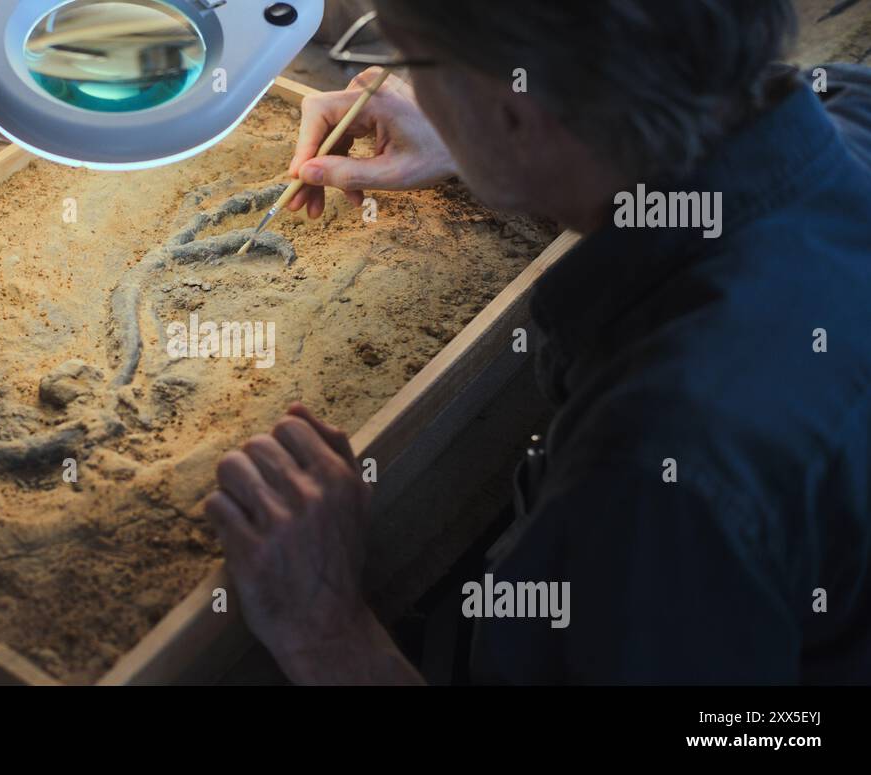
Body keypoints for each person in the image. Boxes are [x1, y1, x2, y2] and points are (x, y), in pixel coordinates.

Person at [204, 0, 871, 684]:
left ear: (518, 113)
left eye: (417, 65)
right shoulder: (848, 104)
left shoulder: (652, 483)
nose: (407, 87)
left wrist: (328, 633)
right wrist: (490, 144)